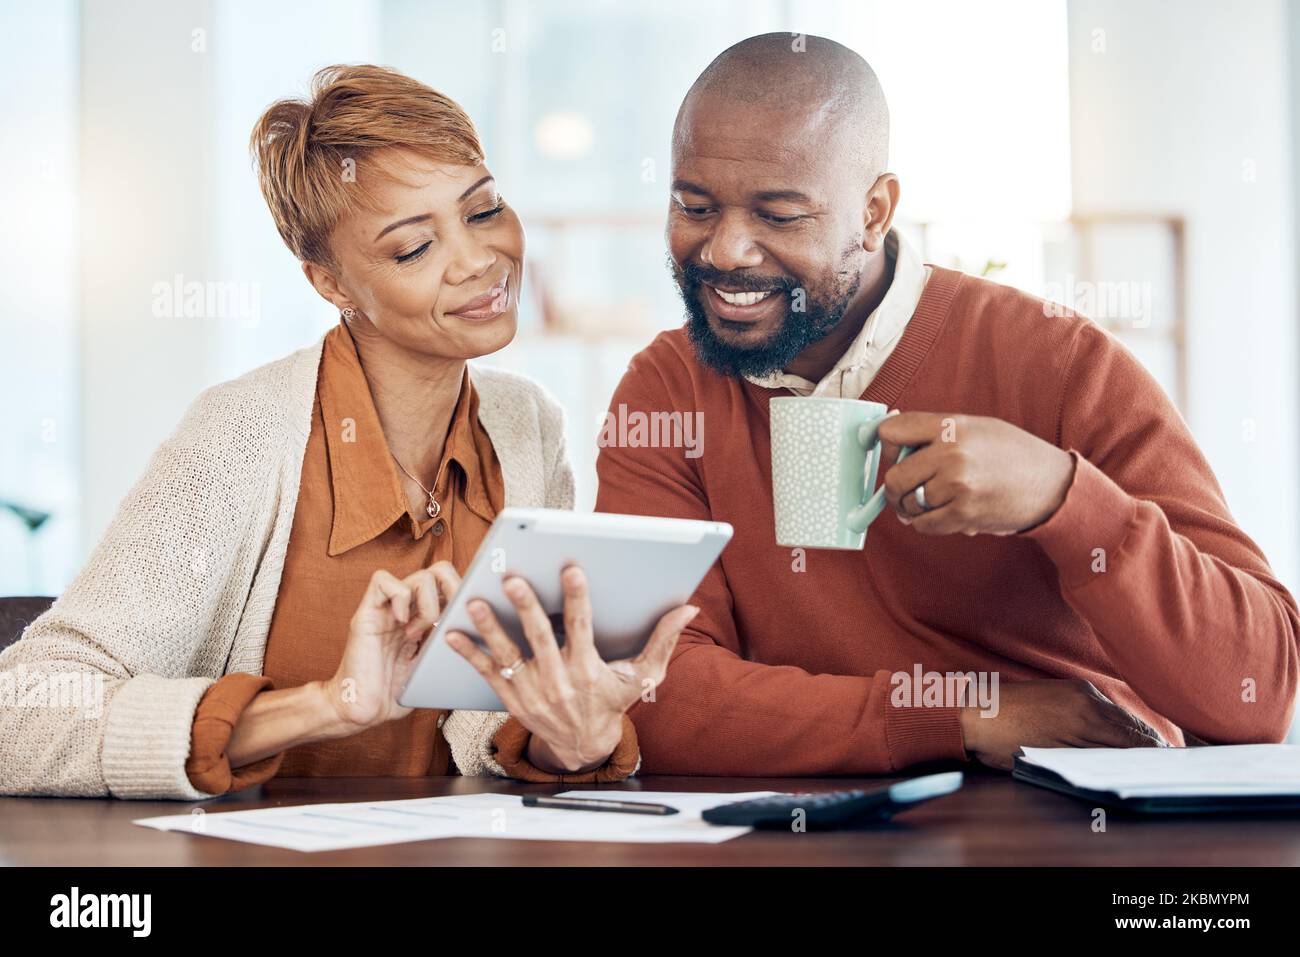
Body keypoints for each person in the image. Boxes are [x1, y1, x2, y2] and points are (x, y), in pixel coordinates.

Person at [595, 33, 1300, 774]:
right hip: (809, 818)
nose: (725, 250)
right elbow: (646, 693)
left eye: (779, 216)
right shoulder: (666, 392)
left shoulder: (1059, 362)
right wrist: (963, 717)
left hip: (1068, 814)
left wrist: (1062, 497)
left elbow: (1259, 693)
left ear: (874, 212)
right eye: (695, 206)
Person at [0, 64, 696, 799]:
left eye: (484, 210)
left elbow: (490, 726)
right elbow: (22, 713)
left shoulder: (527, 425)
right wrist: (328, 705)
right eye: (413, 247)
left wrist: (569, 737)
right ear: (330, 283)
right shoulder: (239, 435)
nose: (477, 261)